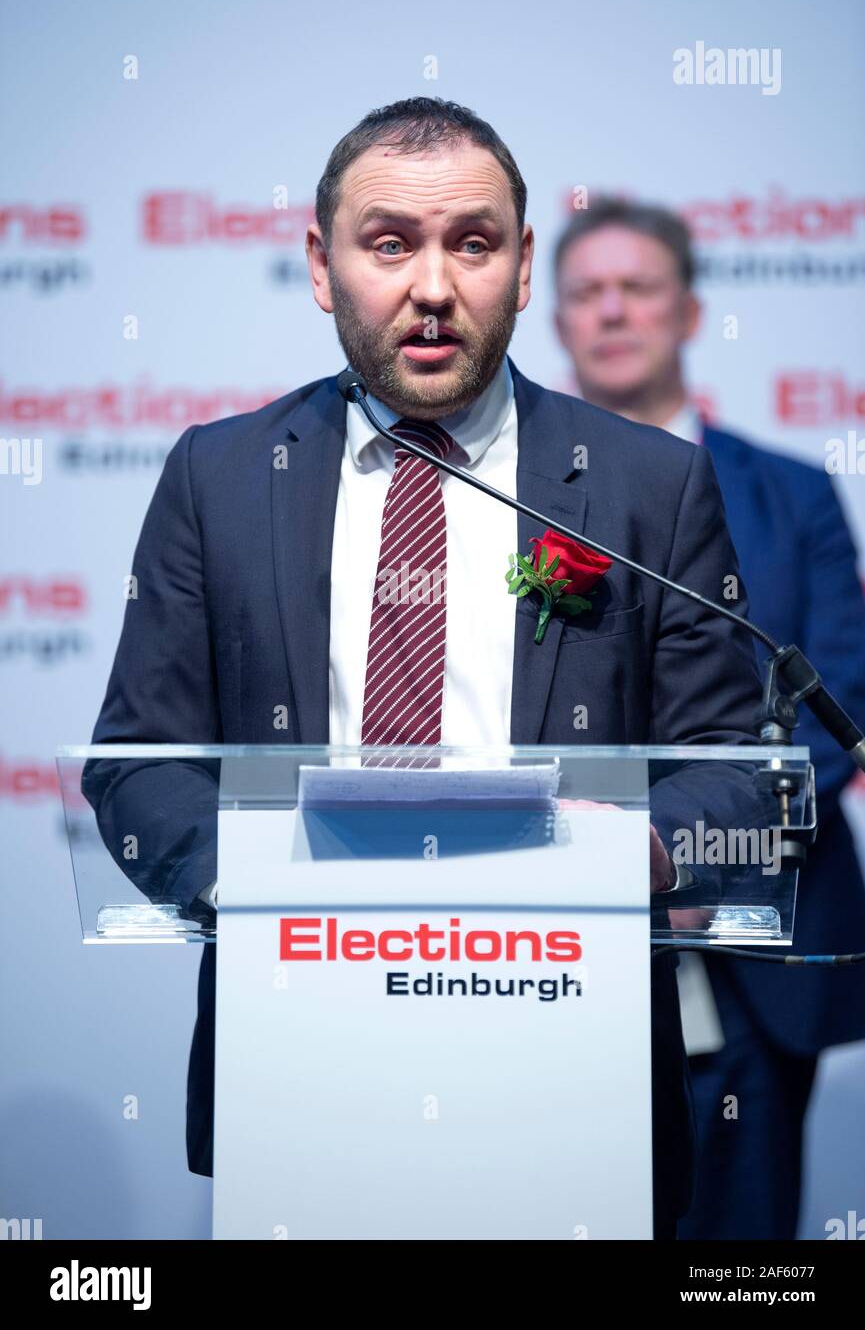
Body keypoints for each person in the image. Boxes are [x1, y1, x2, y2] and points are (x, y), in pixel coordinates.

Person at [81, 98, 766, 1239]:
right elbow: (138, 762)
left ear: (524, 263)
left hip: (573, 1068)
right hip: (296, 1058)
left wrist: (617, 854)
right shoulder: (219, 476)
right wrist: (269, 885)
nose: (434, 285)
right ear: (320, 264)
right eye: (390, 242)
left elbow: (737, 778)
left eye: (474, 243)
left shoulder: (649, 485)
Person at [553, 195, 865, 1240]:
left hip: (759, 940)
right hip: (556, 943)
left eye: (636, 287)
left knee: (741, 1244)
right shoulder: (513, 494)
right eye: (586, 293)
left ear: (687, 311)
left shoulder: (789, 493)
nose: (612, 312)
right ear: (555, 323)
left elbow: (837, 701)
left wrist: (703, 853)